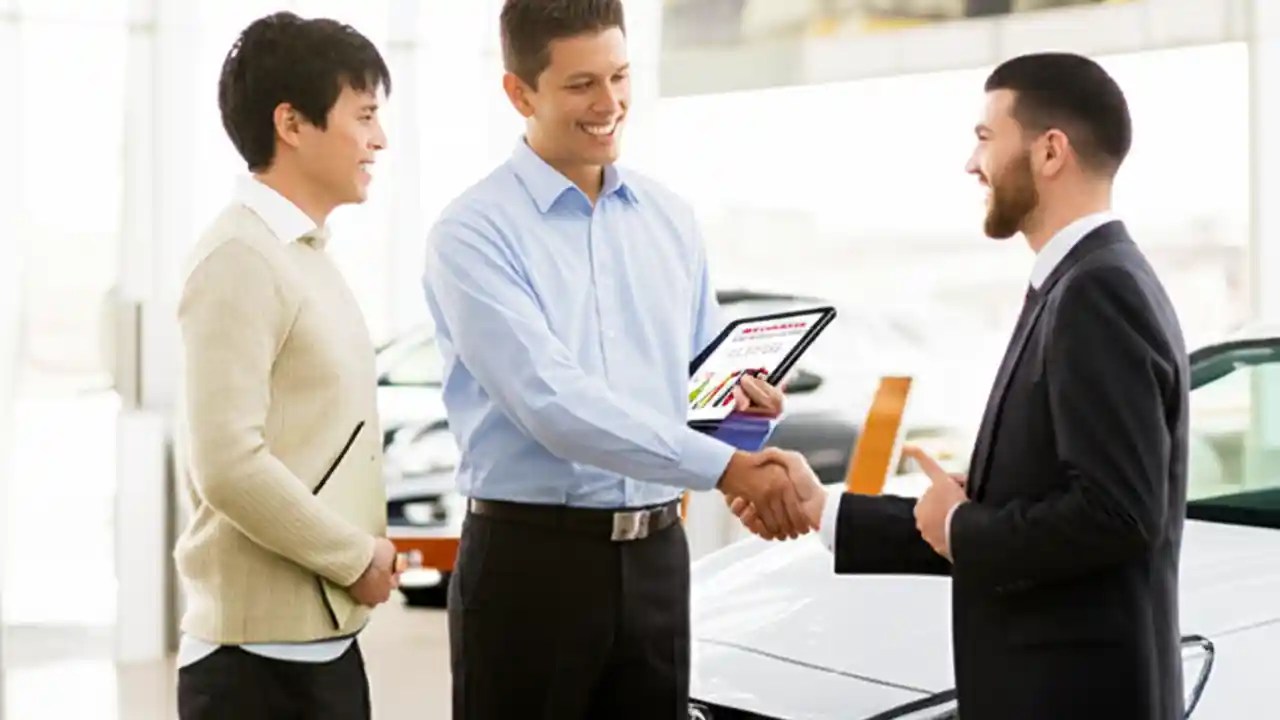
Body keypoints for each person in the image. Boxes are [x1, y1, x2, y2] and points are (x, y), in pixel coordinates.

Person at [733, 52, 1189, 720]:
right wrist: (822, 508)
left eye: (984, 137)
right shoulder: (1078, 284)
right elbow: (1015, 516)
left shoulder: (1097, 292)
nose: (971, 164)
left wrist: (960, 524)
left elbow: (1116, 515)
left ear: (1050, 151)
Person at [421, 1, 812, 717]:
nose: (610, 104)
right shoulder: (471, 234)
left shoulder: (670, 218)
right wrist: (728, 469)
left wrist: (742, 421)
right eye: (581, 85)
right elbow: (553, 404)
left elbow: (701, 384)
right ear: (520, 93)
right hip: (531, 567)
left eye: (621, 76)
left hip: (659, 560)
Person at [172, 12, 399, 719]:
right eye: (363, 116)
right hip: (256, 670)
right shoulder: (239, 258)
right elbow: (228, 463)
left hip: (320, 647)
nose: (378, 139)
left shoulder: (300, 253)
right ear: (292, 123)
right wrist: (354, 557)